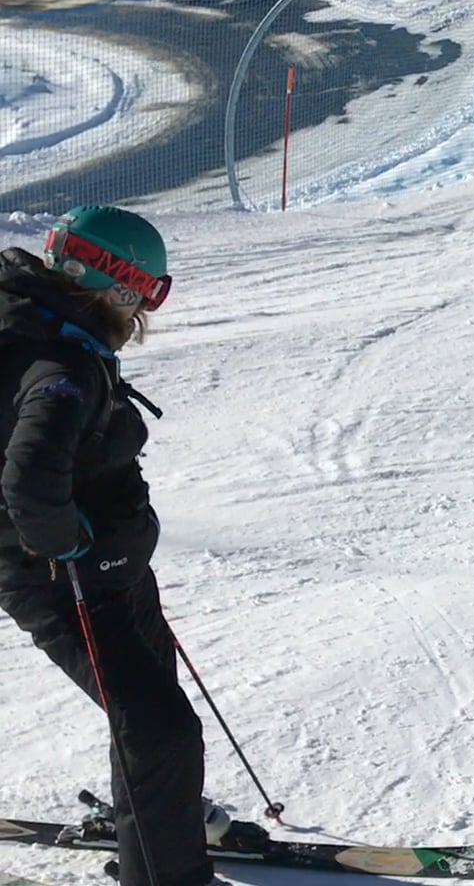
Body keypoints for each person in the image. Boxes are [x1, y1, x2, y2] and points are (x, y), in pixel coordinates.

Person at [0, 206, 227, 886]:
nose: (141, 317)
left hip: (110, 567)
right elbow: (30, 480)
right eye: (142, 297)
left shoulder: (35, 321)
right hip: (70, 577)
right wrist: (67, 547)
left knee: (150, 703)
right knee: (160, 730)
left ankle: (157, 812)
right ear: (115, 288)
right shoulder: (59, 363)